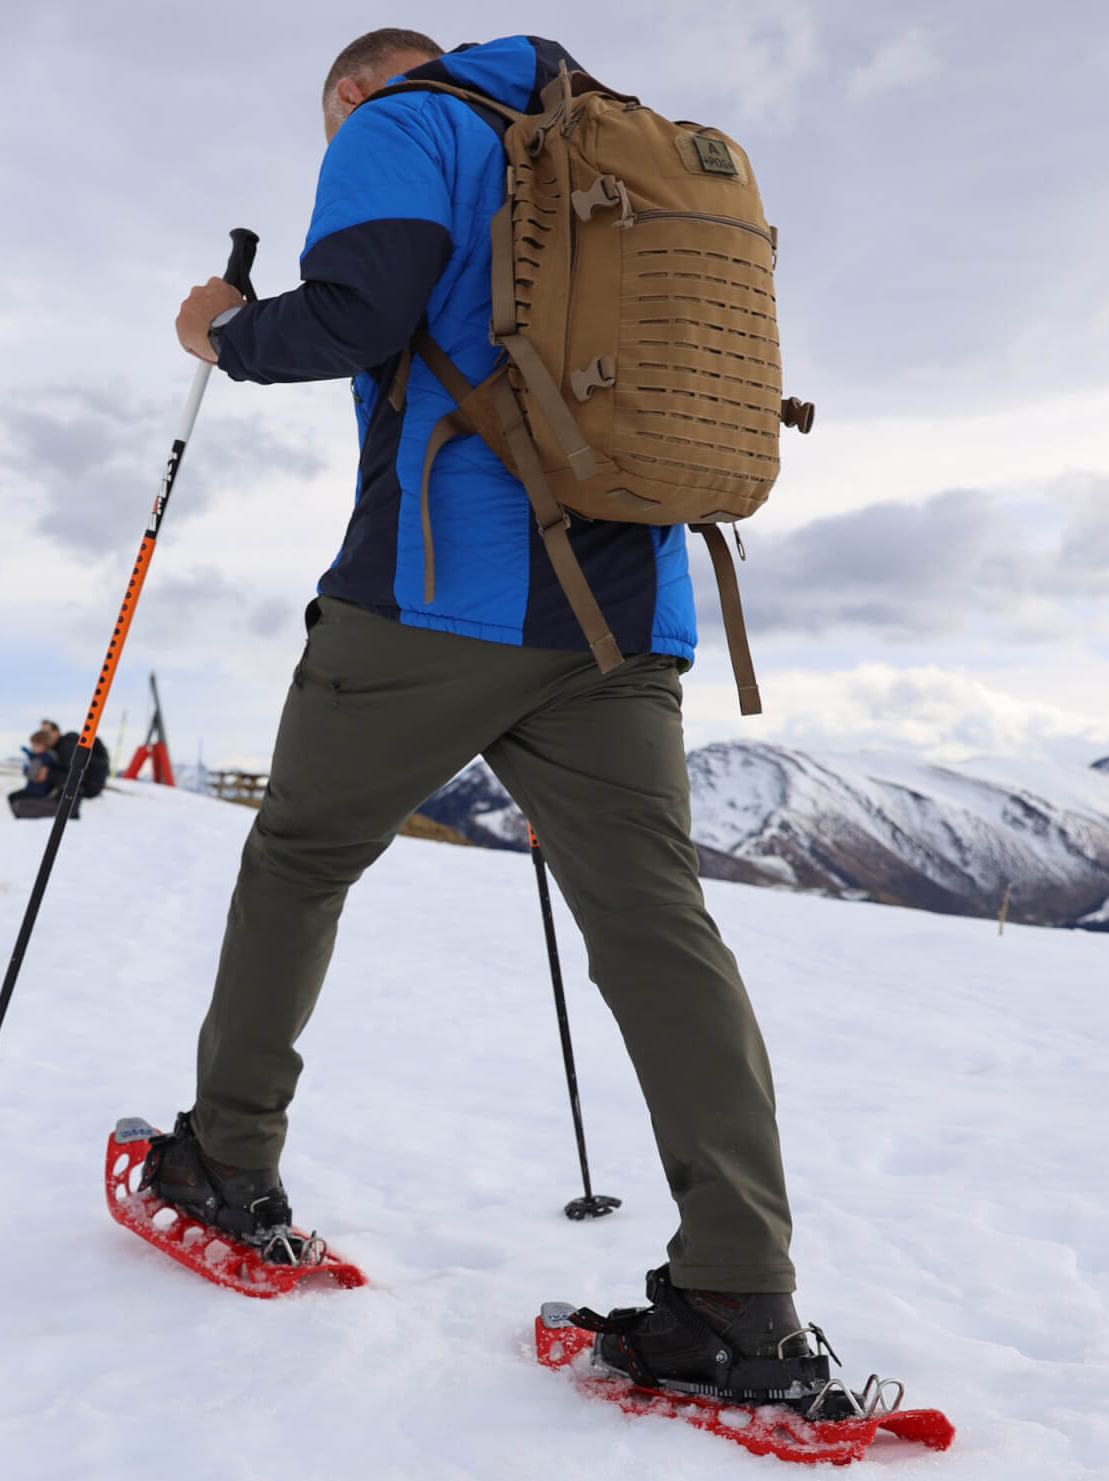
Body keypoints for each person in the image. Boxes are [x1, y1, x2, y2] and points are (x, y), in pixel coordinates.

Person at [148, 29, 816, 1397]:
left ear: (354, 93)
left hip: (439, 590)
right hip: (633, 606)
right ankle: (741, 1300)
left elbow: (352, 317)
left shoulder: (403, 128)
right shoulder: (612, 142)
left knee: (300, 858)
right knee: (654, 925)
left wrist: (220, 327)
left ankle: (226, 1160)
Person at [9, 720, 110, 819]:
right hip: (57, 796)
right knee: (14, 798)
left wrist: (48, 773)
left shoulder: (67, 747)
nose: (43, 735)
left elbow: (76, 778)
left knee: (19, 806)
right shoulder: (55, 748)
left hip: (67, 802)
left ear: (56, 732)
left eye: (46, 732)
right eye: (42, 731)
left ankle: (70, 815)